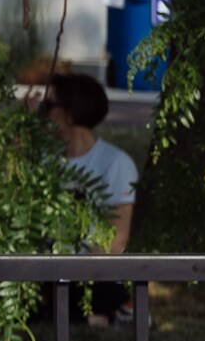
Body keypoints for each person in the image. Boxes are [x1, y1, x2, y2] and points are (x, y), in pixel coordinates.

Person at [41, 69, 138, 254]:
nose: (44, 114)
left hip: (89, 270)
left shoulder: (116, 163)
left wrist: (76, 270)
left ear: (70, 114)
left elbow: (116, 240)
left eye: (48, 106)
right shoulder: (45, 159)